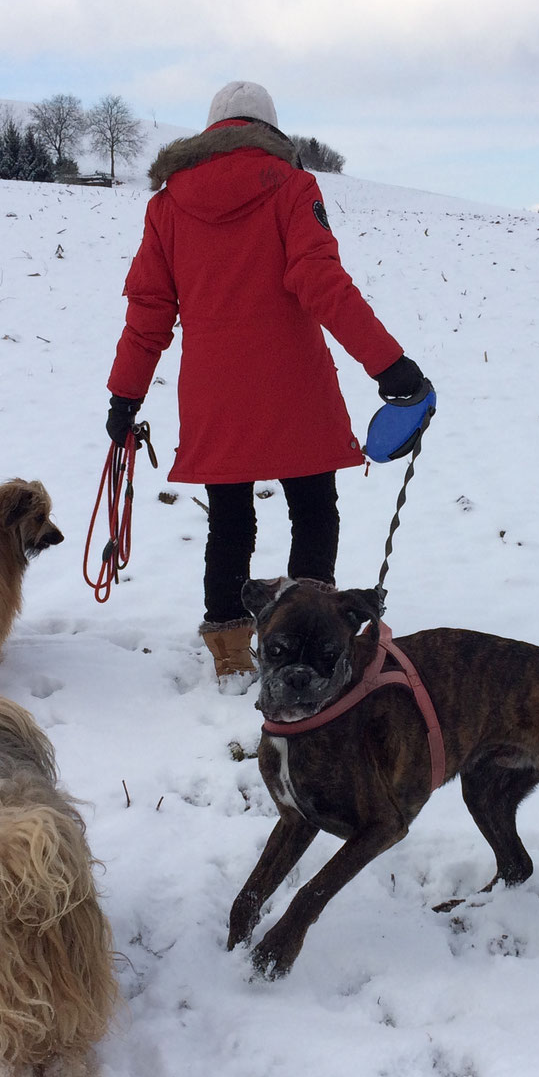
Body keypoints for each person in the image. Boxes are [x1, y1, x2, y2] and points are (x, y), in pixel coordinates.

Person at [105, 81, 428, 683]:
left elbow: (148, 309)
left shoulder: (168, 205)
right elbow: (323, 282)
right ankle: (309, 641)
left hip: (215, 398)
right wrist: (390, 366)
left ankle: (229, 649)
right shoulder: (292, 187)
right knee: (312, 511)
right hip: (295, 391)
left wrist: (125, 396)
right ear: (270, 132)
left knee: (229, 520)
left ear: (209, 133)